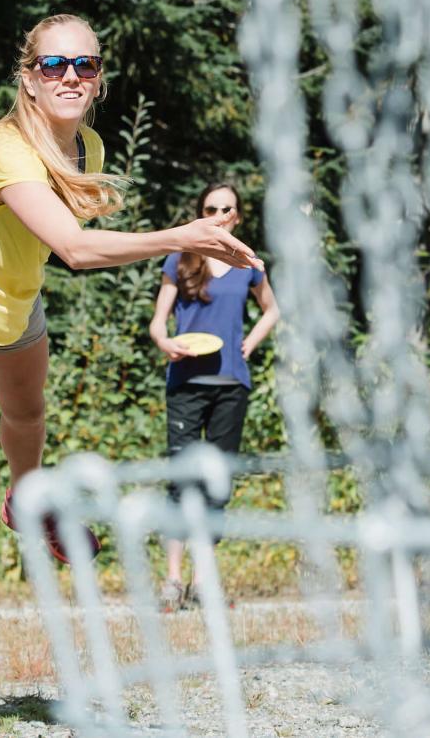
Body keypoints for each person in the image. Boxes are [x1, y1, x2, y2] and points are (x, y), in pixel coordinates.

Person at [0, 13, 260, 738]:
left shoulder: (88, 144)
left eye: (86, 66)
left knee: (28, 423)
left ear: (98, 81)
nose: (70, 75)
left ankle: (30, 502)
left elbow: (71, 224)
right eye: (54, 64)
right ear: (27, 75)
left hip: (15, 315)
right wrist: (181, 236)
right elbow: (74, 248)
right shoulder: (4, 150)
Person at [148, 182, 280, 611]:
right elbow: (157, 323)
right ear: (200, 212)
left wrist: (250, 344)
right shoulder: (179, 257)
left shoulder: (247, 264)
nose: (220, 214)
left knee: (217, 485)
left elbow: (272, 310)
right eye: (211, 208)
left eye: (228, 209)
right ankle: (172, 580)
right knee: (181, 478)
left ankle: (203, 582)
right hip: (186, 379)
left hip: (231, 383)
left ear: (237, 217)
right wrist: (165, 342)